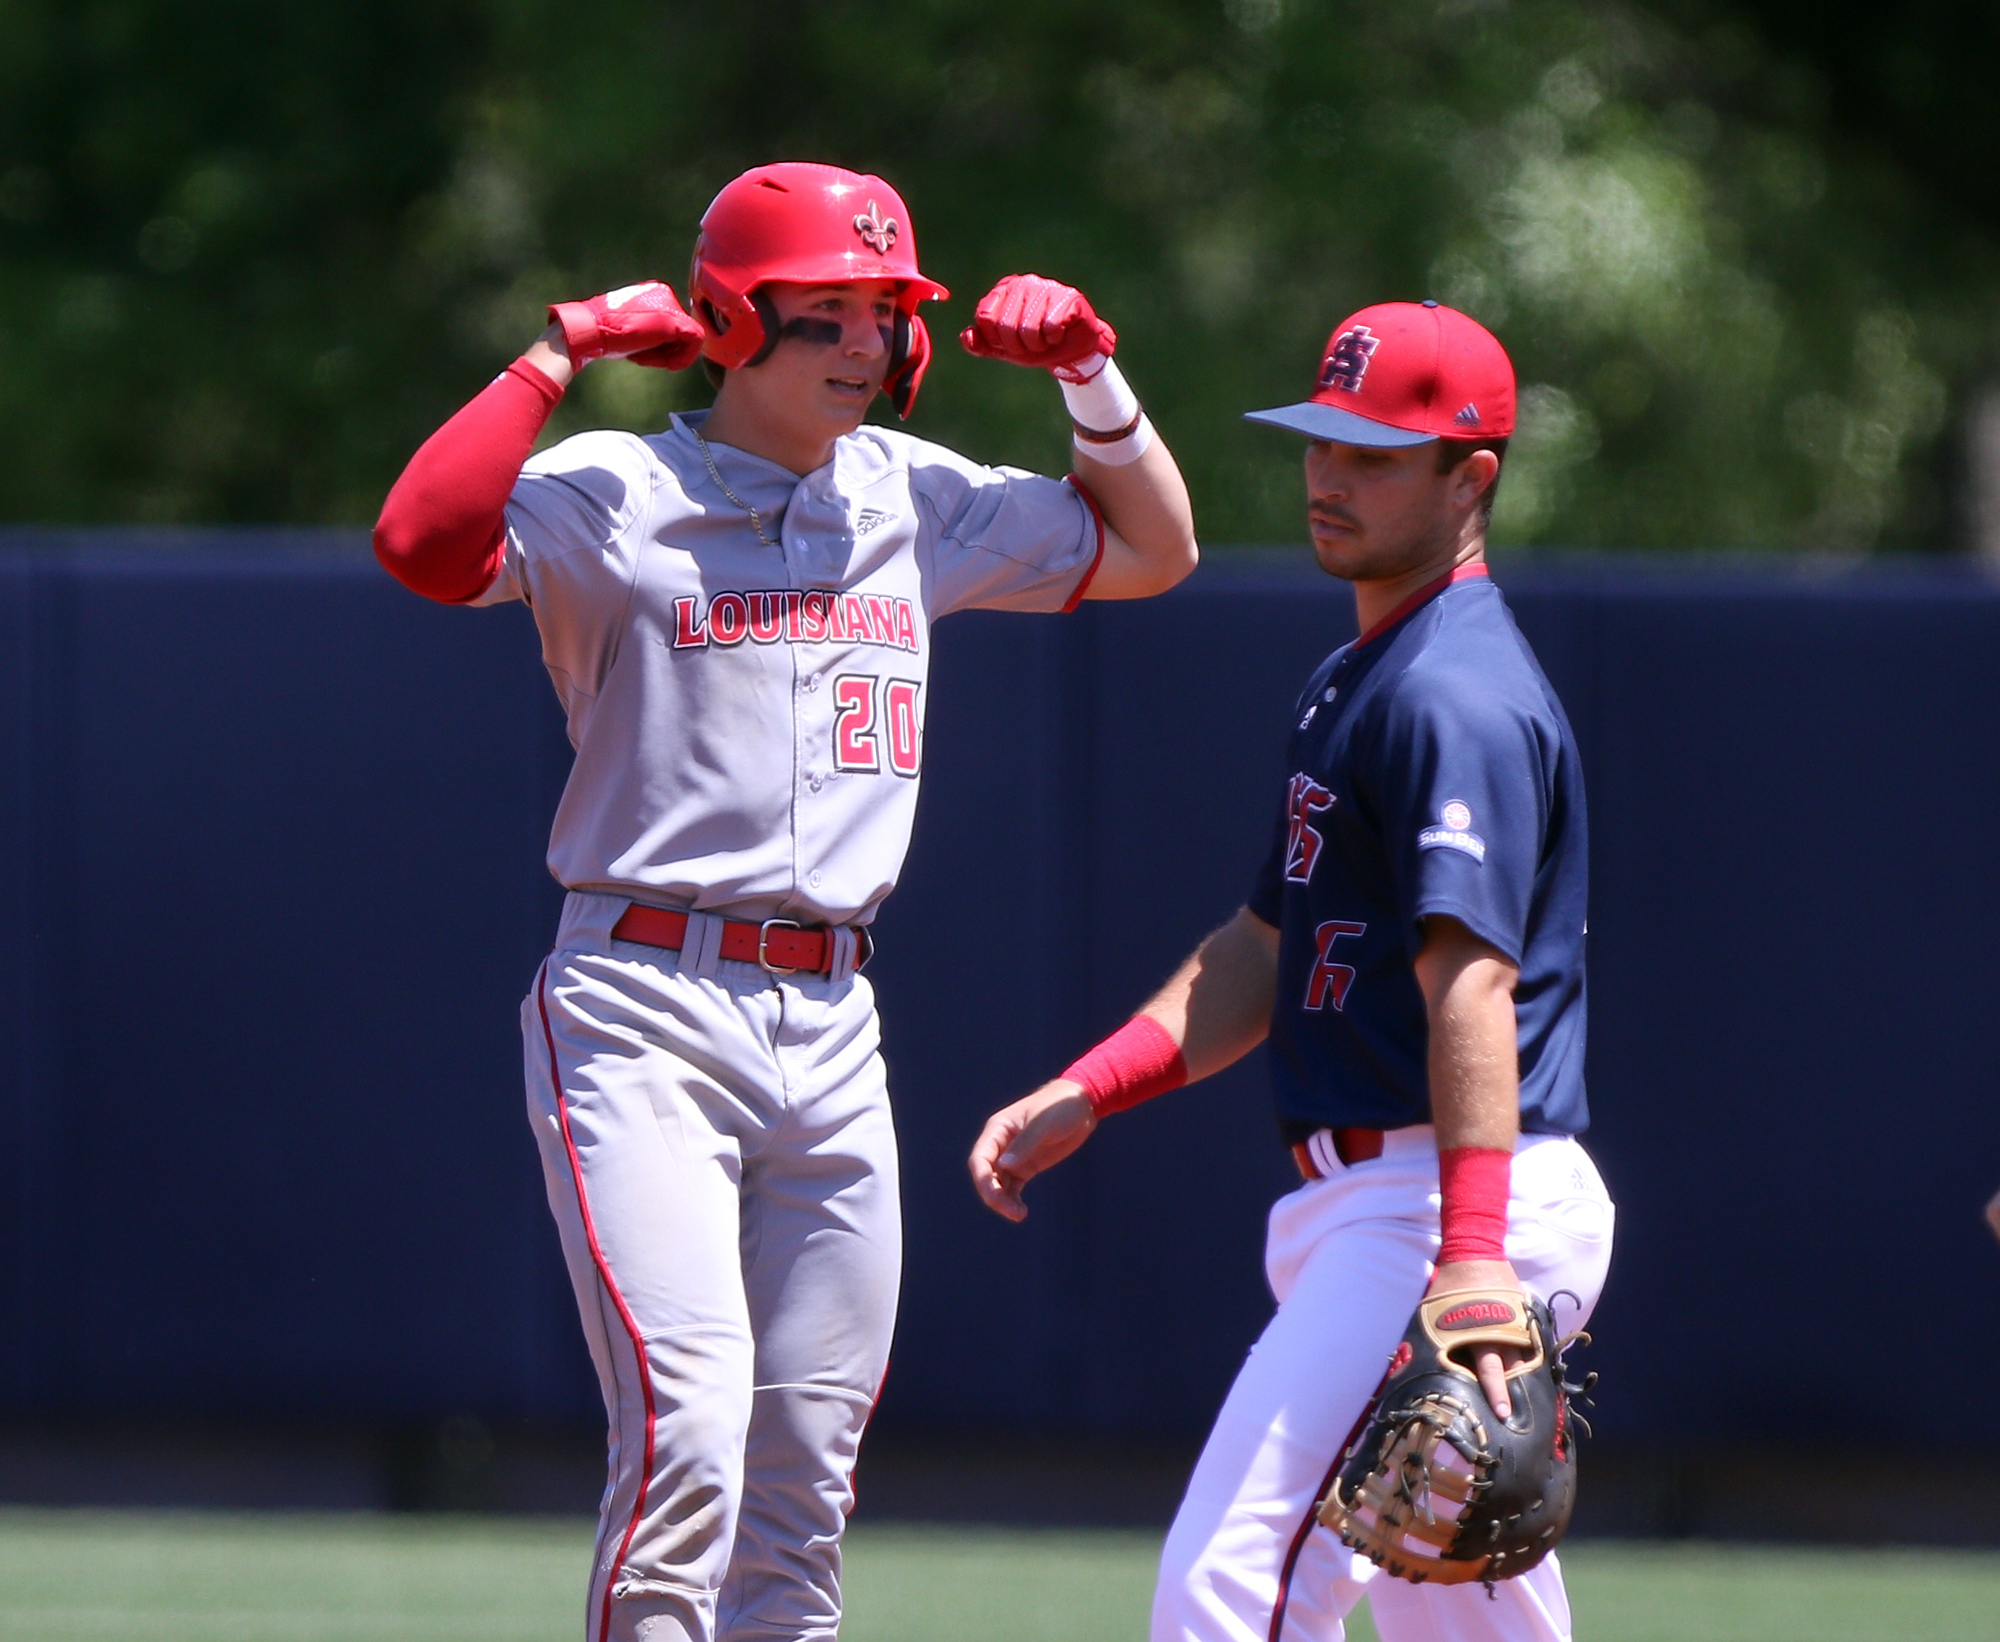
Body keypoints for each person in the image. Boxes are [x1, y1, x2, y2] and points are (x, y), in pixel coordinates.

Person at [372, 161, 1197, 1642]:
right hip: (640, 998)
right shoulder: (619, 492)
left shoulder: (914, 496)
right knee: (690, 1434)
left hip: (831, 1020)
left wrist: (1089, 371)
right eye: (823, 316)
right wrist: (553, 353)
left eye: (886, 315)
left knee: (805, 1481)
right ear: (732, 323)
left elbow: (1153, 550)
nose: (865, 349)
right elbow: (423, 545)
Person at [969, 301, 1614, 1642]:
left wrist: (1474, 1254)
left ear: (1471, 476)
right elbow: (1265, 945)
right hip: (1396, 1196)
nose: (1330, 475)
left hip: (1439, 1200)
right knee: (1464, 1616)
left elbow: (1474, 987)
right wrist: (1096, 1086)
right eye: (1324, 441)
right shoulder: (1361, 672)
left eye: (1377, 454)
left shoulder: (1452, 694)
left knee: (1232, 1580)